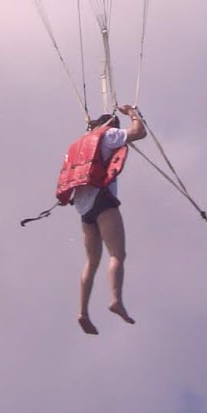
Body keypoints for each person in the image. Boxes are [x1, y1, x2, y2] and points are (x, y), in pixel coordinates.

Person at [69, 103, 147, 335]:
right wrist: (132, 113)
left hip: (84, 208)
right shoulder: (109, 135)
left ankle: (82, 312)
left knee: (91, 262)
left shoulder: (81, 144)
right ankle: (116, 300)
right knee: (117, 254)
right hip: (102, 200)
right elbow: (139, 132)